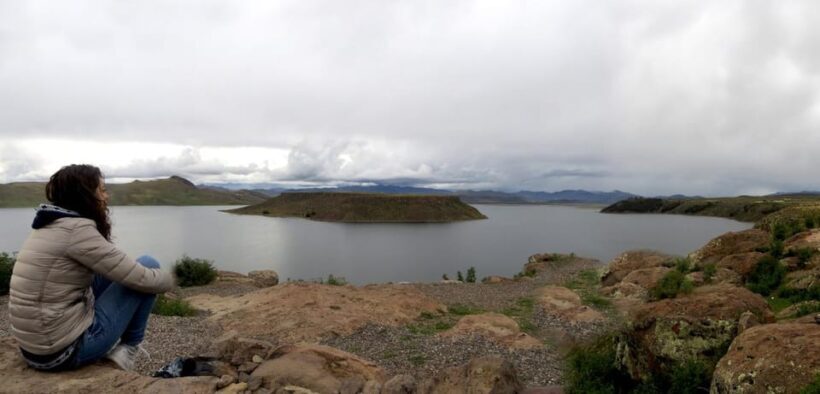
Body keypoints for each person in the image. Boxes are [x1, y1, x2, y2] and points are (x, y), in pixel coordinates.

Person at [7, 164, 174, 372]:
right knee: (149, 266)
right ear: (85, 196)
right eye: (102, 190)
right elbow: (142, 278)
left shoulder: (50, 224)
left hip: (33, 349)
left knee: (114, 272)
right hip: (62, 352)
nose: (107, 196)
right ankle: (128, 349)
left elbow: (115, 265)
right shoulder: (77, 231)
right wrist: (172, 280)